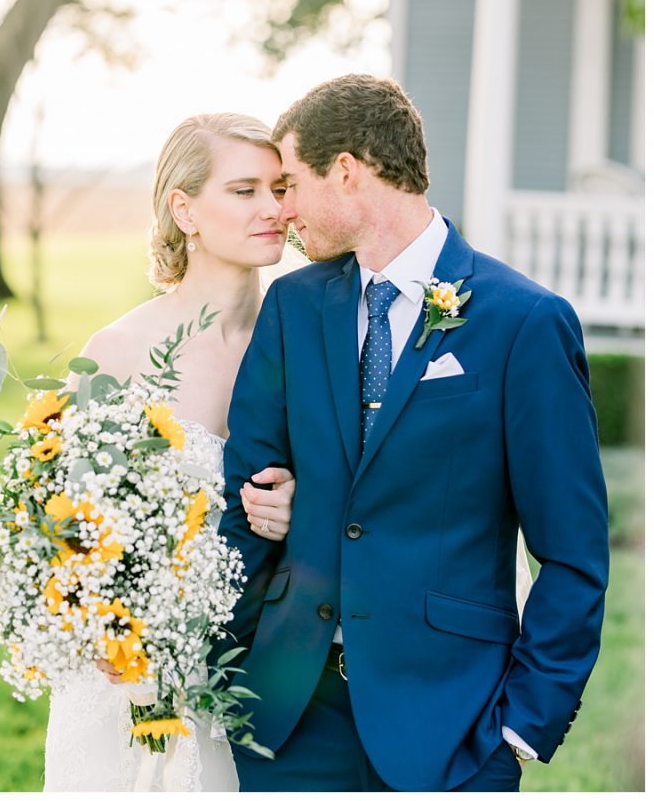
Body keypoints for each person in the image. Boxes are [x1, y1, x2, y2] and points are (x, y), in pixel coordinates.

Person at [220, 74, 608, 792]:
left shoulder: (523, 322)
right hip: (288, 717)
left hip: (452, 724)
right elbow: (243, 494)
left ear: (346, 171)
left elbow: (574, 552)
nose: (284, 209)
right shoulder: (293, 306)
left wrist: (522, 727)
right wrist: (213, 657)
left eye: (291, 183)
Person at [43, 114, 298, 792]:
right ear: (184, 209)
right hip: (130, 669)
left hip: (263, 665)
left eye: (279, 188)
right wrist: (104, 620)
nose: (273, 209)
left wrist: (300, 504)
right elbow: (62, 518)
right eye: (244, 191)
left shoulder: (304, 347)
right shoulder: (115, 352)